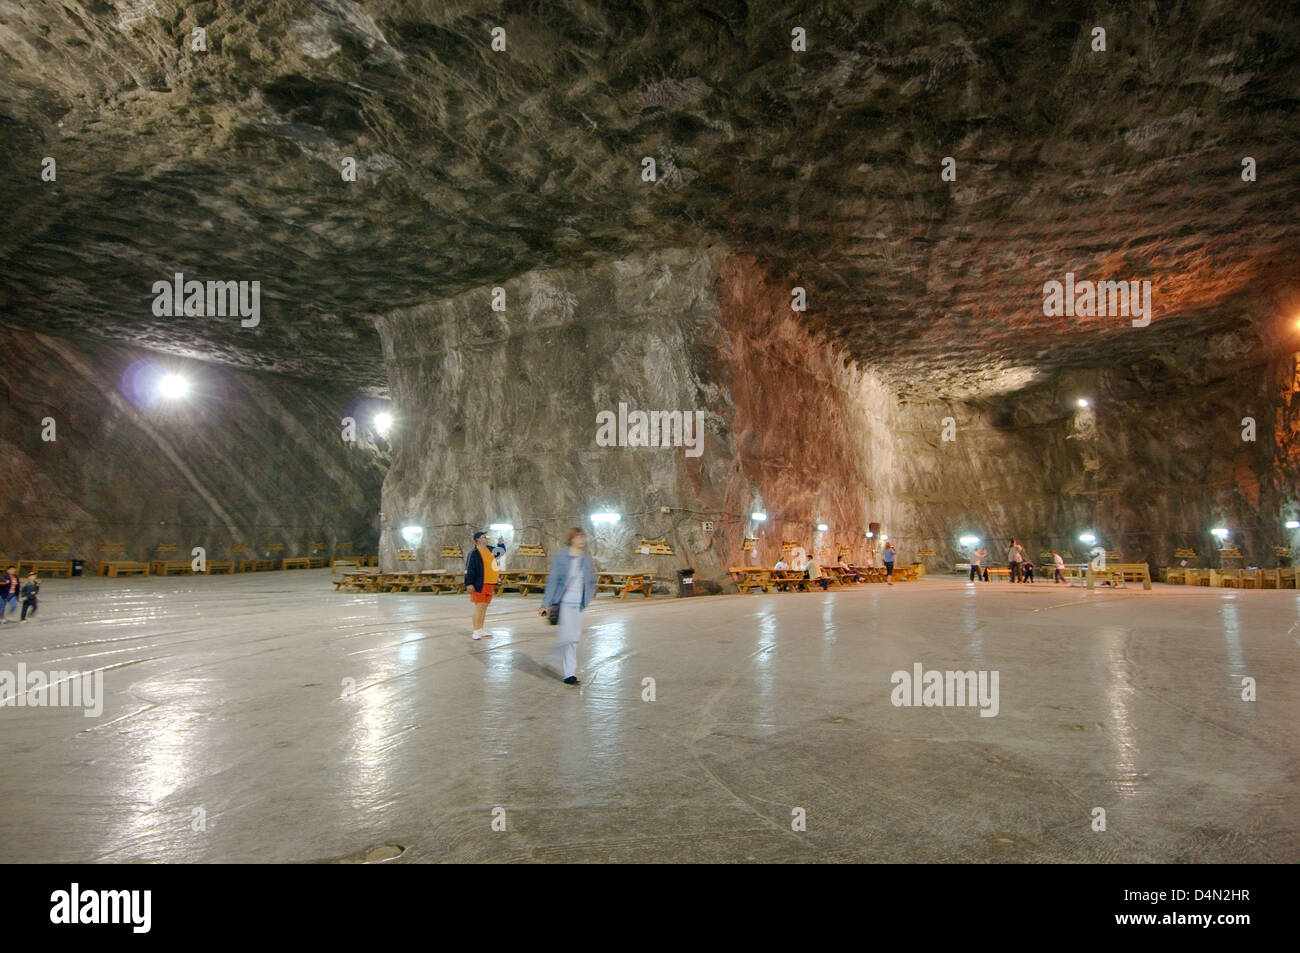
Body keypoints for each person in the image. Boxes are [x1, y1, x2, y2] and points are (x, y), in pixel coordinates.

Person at [539, 528, 597, 686]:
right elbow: (553, 581)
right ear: (572, 539)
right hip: (564, 601)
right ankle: (569, 674)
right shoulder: (561, 557)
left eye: (583, 537)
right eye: (579, 537)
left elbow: (592, 578)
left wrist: (590, 593)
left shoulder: (585, 559)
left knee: (573, 638)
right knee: (568, 637)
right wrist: (545, 604)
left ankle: (553, 660)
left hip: (579, 603)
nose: (582, 540)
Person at [465, 531, 500, 640]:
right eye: (483, 537)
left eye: (485, 537)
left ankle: (481, 629)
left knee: (484, 607)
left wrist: (501, 544)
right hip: (480, 583)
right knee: (479, 607)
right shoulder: (474, 553)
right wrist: (469, 583)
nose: (486, 539)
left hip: (490, 582)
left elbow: (500, 552)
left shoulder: (489, 549)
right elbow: (469, 569)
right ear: (478, 540)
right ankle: (475, 630)